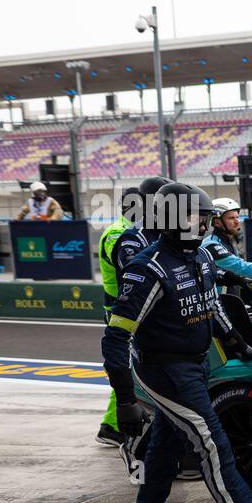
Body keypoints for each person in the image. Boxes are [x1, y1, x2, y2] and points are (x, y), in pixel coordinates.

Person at [101, 182, 252, 503]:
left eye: (206, 219)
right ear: (170, 220)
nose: (203, 226)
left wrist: (236, 343)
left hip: (196, 364)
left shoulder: (202, 259)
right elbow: (115, 338)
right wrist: (126, 399)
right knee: (212, 443)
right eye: (195, 218)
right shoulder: (148, 270)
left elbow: (212, 307)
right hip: (164, 372)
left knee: (167, 441)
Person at [94, 185, 142, 446]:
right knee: (127, 368)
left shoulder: (134, 231)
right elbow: (132, 272)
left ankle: (115, 423)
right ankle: (112, 426)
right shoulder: (117, 233)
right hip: (121, 311)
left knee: (134, 367)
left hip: (132, 309)